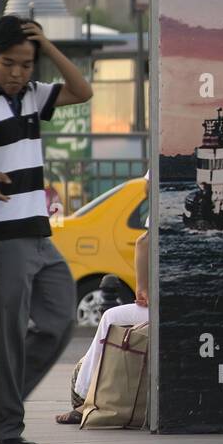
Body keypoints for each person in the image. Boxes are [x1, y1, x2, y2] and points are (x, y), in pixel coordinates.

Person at [0, 16, 92, 444]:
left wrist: (47, 46)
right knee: (6, 335)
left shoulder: (33, 96)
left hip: (37, 235)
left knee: (58, 320)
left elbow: (82, 91)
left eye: (26, 65)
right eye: (9, 64)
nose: (17, 73)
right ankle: (2, 427)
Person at [56, 176, 149, 424]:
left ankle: (83, 398)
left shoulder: (162, 205)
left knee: (111, 316)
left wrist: (142, 287)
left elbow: (143, 242)